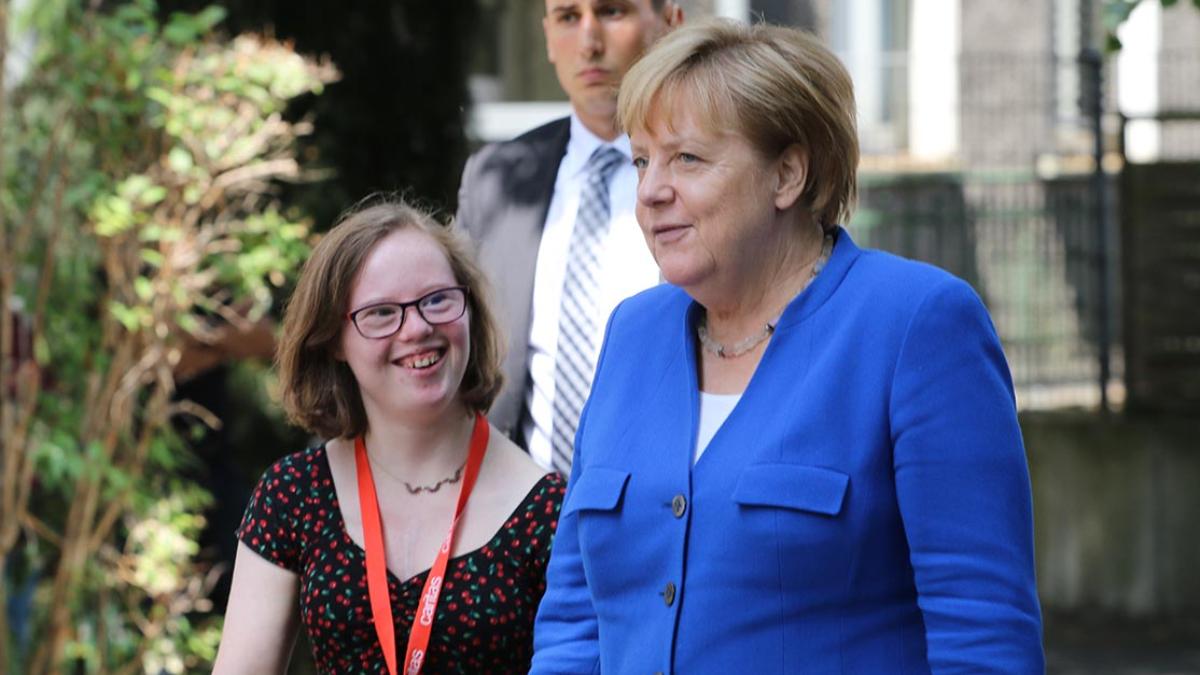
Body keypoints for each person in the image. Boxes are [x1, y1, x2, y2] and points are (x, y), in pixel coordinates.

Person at [532, 19, 1044, 673]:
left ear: (788, 174)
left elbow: (981, 635)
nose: (651, 190)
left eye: (686, 158)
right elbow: (575, 622)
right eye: (642, 160)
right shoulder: (632, 334)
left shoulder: (916, 324)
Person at [213, 199, 565, 674]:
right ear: (333, 339)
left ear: (470, 310)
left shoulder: (550, 512)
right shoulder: (295, 493)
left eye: (437, 299)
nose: (418, 328)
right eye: (381, 312)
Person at [456, 0, 683, 475]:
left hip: (670, 504)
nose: (589, 42)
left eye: (612, 12)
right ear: (546, 36)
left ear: (671, 22)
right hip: (520, 515)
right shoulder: (493, 178)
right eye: (567, 17)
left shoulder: (707, 174)